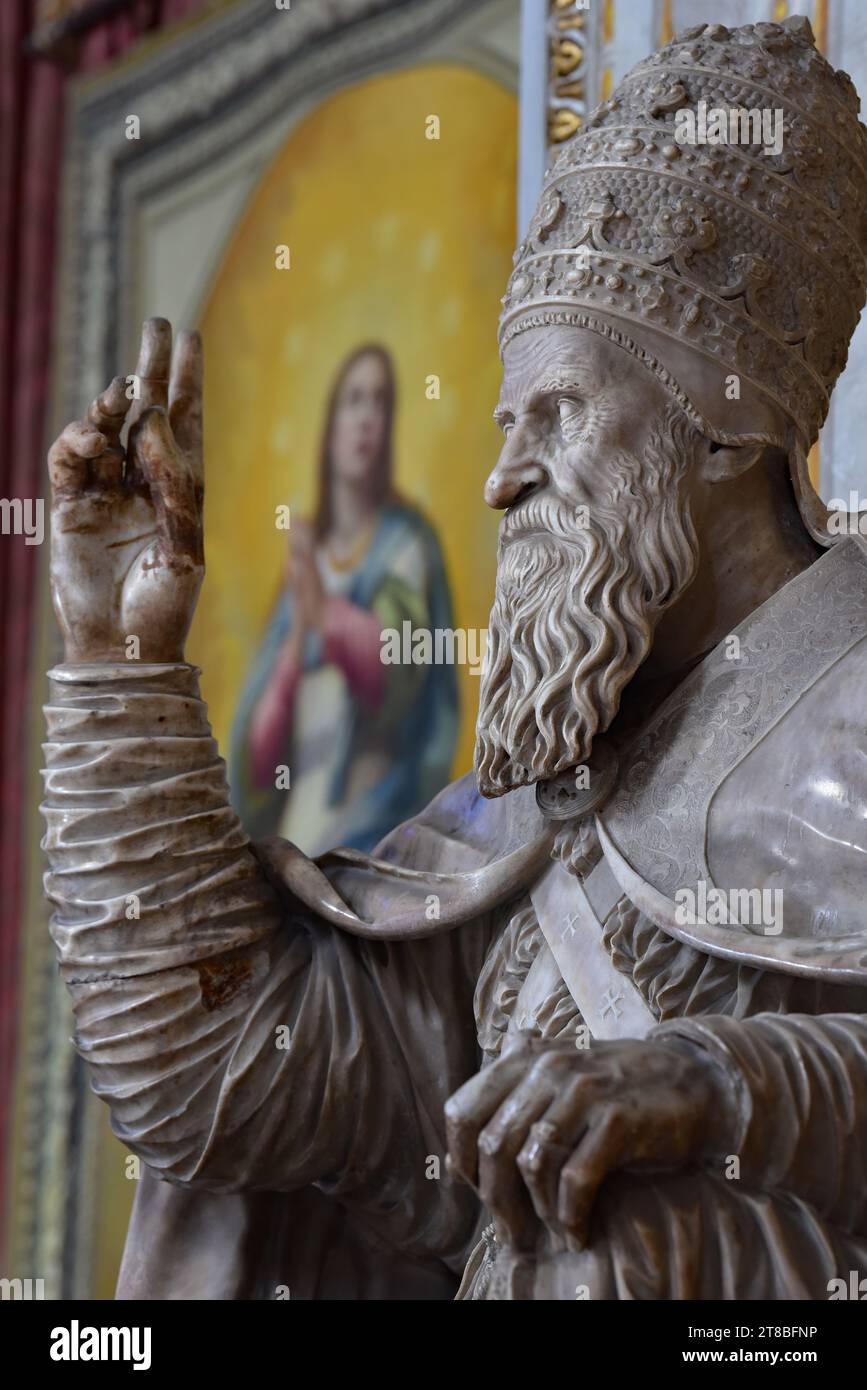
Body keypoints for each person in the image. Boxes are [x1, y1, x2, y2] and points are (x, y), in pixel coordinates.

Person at [41, 16, 867, 1300]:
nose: (496, 476)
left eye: (561, 411)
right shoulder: (523, 814)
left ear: (722, 435)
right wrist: (119, 658)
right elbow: (224, 1090)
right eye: (500, 419)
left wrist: (710, 1084)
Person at [229, 344, 458, 854]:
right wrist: (294, 648)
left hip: (375, 827)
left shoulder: (406, 545)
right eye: (354, 400)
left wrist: (325, 618)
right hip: (297, 834)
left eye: (380, 402)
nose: (367, 417)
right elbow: (257, 763)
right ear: (330, 427)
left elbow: (402, 670)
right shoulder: (304, 570)